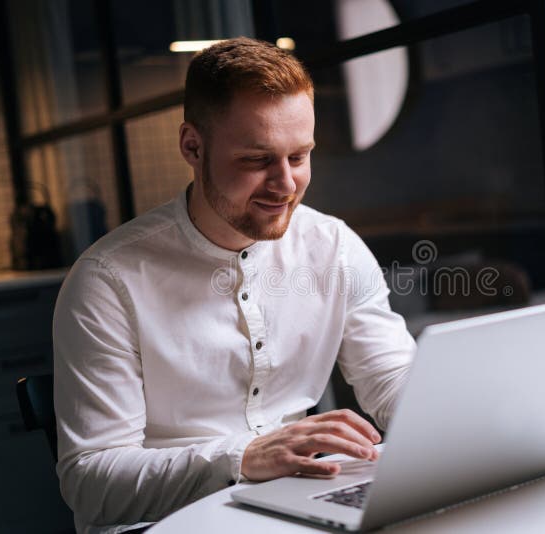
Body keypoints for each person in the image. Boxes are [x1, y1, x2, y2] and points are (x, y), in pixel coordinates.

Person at [53, 37, 415, 533]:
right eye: (257, 159)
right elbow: (90, 484)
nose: (285, 184)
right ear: (192, 146)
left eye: (299, 156)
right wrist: (242, 457)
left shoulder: (333, 246)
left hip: (298, 507)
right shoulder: (107, 281)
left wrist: (458, 419)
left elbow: (393, 379)